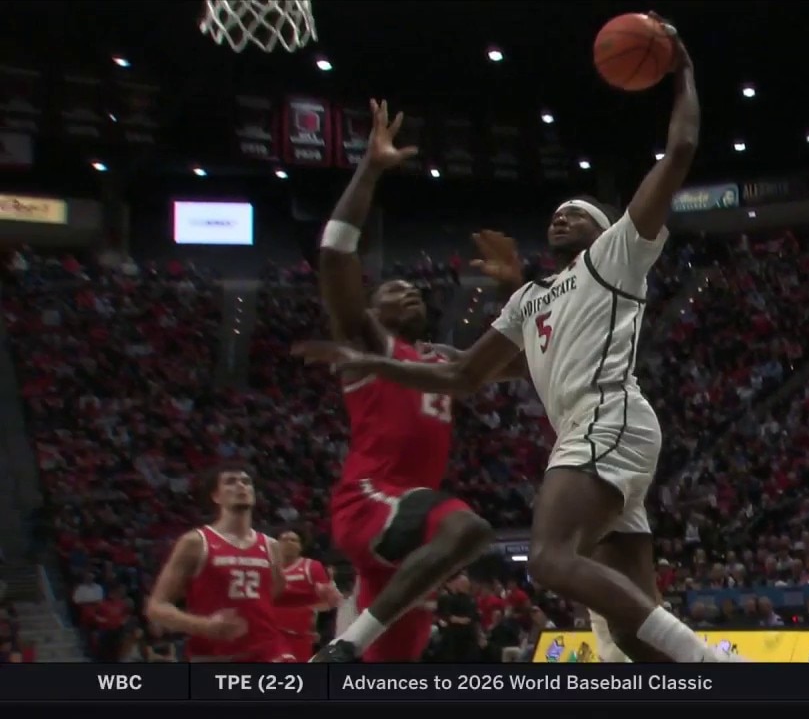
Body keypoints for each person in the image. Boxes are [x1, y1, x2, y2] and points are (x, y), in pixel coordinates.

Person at [296, 18, 731, 664]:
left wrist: (683, 67)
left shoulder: (616, 255)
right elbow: (464, 377)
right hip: (593, 430)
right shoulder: (529, 298)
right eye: (556, 212)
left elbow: (681, 149)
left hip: (608, 415)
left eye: (577, 212)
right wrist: (378, 361)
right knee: (635, 636)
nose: (561, 215)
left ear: (602, 228)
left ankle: (717, 664)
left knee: (551, 559)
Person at [307, 99, 526, 663]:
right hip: (372, 502)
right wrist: (370, 168)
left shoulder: (443, 358)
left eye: (414, 290)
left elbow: (531, 363)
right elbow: (335, 253)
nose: (407, 291)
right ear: (371, 308)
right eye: (391, 289)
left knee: (394, 670)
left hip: (407, 532)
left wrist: (513, 291)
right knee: (471, 531)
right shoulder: (368, 342)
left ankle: (352, 654)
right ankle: (343, 646)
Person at [144, 464, 311, 662]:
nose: (241, 486)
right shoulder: (196, 542)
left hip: (266, 652)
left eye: (246, 482)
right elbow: (156, 607)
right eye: (231, 482)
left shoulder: (271, 546)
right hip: (213, 656)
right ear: (216, 496)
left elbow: (272, 593)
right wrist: (203, 625)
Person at [275, 528, 343, 660]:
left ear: (300, 546)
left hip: (299, 635)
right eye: (284, 539)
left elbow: (329, 603)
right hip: (270, 633)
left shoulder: (311, 567)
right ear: (275, 544)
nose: (288, 543)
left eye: (293, 540)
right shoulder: (267, 567)